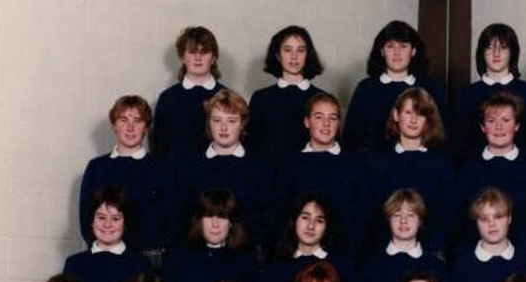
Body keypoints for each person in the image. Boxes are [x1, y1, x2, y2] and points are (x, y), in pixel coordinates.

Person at [172, 89, 275, 252]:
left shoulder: (261, 168)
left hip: (246, 256)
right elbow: (182, 218)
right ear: (208, 124)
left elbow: (267, 219)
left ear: (242, 124)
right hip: (198, 255)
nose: (224, 127)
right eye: (217, 120)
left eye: (232, 121)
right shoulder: (189, 167)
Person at [79, 95, 170, 267]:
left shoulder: (161, 169)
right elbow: (86, 217)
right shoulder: (97, 167)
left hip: (149, 257)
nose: (130, 127)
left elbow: (171, 218)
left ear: (146, 127)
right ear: (114, 125)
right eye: (123, 120)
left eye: (137, 120)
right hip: (107, 253)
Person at [255, 194, 363, 282]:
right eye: (305, 217)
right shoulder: (275, 270)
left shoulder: (343, 268)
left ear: (326, 227)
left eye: (319, 220)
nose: (311, 226)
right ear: (294, 221)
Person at [454, 91, 526, 250]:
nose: (499, 127)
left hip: (525, 259)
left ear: (517, 125)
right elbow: (458, 224)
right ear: (483, 127)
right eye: (491, 121)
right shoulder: (467, 170)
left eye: (506, 120)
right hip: (477, 257)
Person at [366, 87, 456, 256]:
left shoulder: (442, 165)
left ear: (428, 120)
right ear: (396, 115)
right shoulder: (378, 164)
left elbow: (447, 215)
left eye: (420, 114)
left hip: (430, 251)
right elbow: (372, 216)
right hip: (387, 251)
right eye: (408, 112)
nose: (413, 120)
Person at [282, 93, 373, 261]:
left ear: (339, 124)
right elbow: (283, 216)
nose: (326, 124)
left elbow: (364, 216)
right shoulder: (290, 164)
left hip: (345, 257)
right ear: (307, 121)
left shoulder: (356, 164)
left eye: (332, 118)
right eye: (319, 117)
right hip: (297, 256)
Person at [162, 189, 258, 282]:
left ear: (231, 223)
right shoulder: (178, 260)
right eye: (209, 216)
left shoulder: (246, 262)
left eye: (222, 217)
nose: (215, 224)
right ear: (199, 221)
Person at [344, 20, 448, 155]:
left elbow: (442, 138)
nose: (397, 53)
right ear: (382, 51)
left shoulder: (431, 89)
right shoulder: (366, 89)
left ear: (413, 51)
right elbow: (351, 139)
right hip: (373, 168)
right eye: (390, 46)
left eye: (403, 46)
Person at [358, 189, 449, 282]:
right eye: (397, 215)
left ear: (420, 221)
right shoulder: (371, 264)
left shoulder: (436, 266)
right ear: (388, 219)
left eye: (410, 215)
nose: (403, 221)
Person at [63, 187, 150, 282]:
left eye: (116, 218)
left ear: (125, 223)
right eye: (101, 217)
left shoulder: (140, 264)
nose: (107, 225)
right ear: (91, 221)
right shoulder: (74, 264)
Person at [453, 23, 526, 161]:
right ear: (481, 53)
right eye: (489, 48)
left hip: (521, 170)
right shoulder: (466, 95)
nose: (496, 54)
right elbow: (459, 143)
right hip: (476, 172)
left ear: (512, 52)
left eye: (503, 48)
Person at [247, 25, 328, 162]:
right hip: (269, 176)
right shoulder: (260, 98)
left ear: (308, 55)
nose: (294, 57)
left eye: (300, 50)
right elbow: (251, 146)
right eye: (287, 50)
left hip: (308, 175)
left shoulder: (322, 99)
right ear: (278, 55)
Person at [151, 26, 228, 160]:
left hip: (218, 176)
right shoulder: (168, 98)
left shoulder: (228, 97)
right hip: (177, 176)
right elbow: (159, 147)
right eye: (192, 52)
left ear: (214, 58)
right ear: (182, 56)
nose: (198, 57)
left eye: (204, 52)